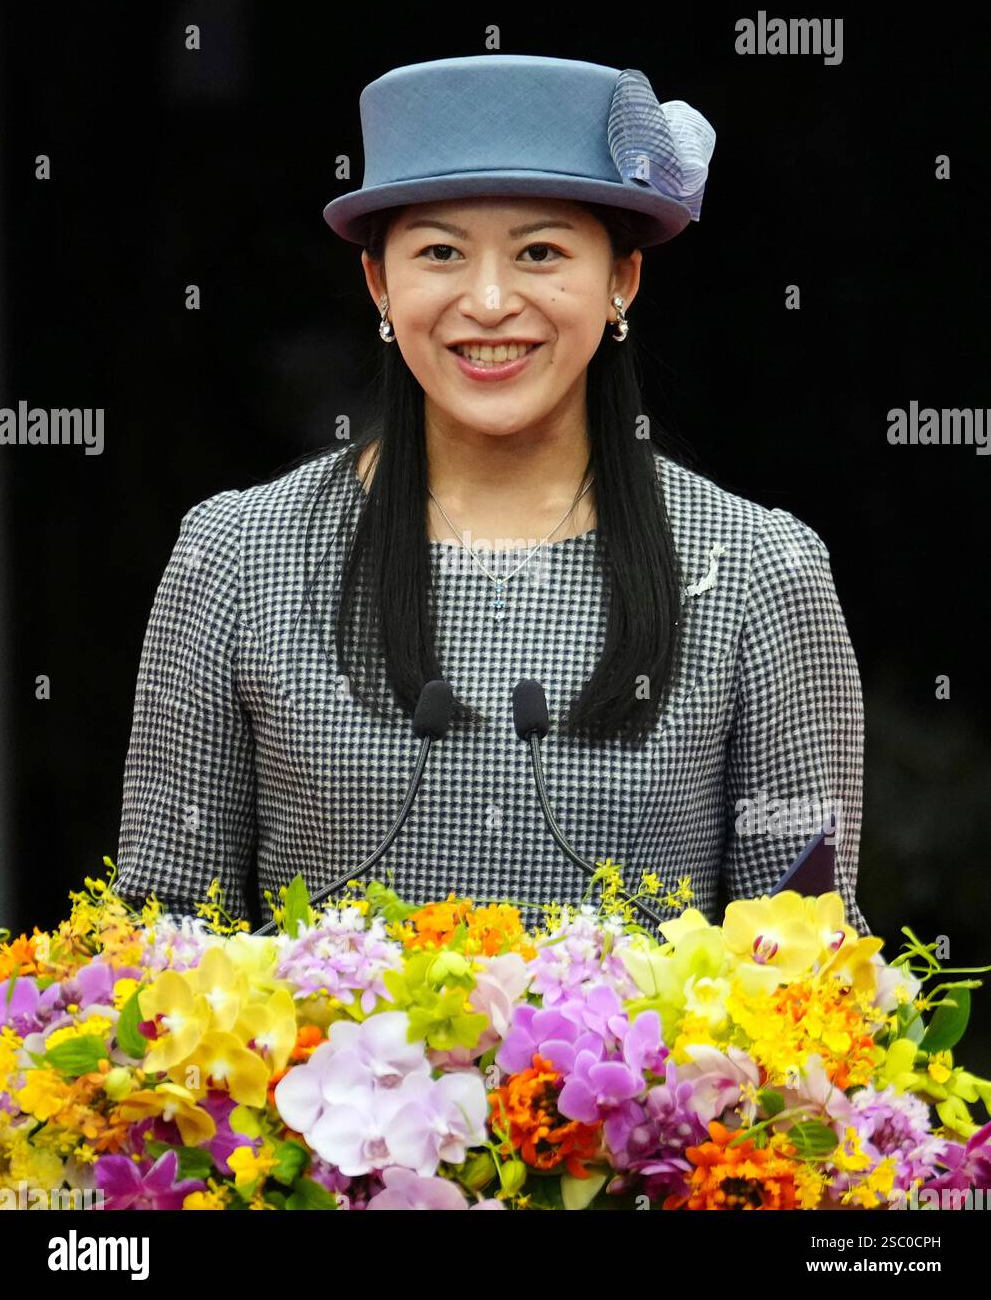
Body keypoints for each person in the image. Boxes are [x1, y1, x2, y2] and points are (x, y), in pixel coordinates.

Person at [113, 53, 870, 936]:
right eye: (439, 252)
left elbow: (805, 962)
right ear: (379, 283)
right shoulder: (238, 556)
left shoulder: (756, 570)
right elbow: (160, 940)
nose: (489, 300)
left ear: (621, 280)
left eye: (540, 251)